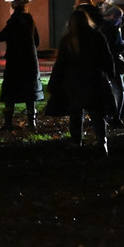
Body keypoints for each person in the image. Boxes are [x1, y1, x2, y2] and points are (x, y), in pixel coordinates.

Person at [45, 8, 116, 149]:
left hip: (73, 82)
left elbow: (61, 63)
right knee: (97, 113)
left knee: (75, 114)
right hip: (94, 79)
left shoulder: (68, 40)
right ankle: (102, 142)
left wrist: (54, 83)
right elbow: (106, 57)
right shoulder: (96, 36)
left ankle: (76, 142)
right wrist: (110, 74)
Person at [0, 0, 43, 131]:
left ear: (13, 9)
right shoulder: (30, 22)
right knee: (30, 92)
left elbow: (0, 36)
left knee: (11, 91)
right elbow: (37, 41)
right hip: (30, 62)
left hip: (15, 62)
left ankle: (8, 122)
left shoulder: (13, 22)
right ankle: (32, 123)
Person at [98, 3, 124, 125]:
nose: (121, 20)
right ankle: (116, 116)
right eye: (120, 17)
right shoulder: (112, 29)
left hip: (102, 62)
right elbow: (114, 47)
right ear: (113, 16)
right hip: (113, 62)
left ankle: (107, 116)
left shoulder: (99, 26)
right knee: (119, 90)